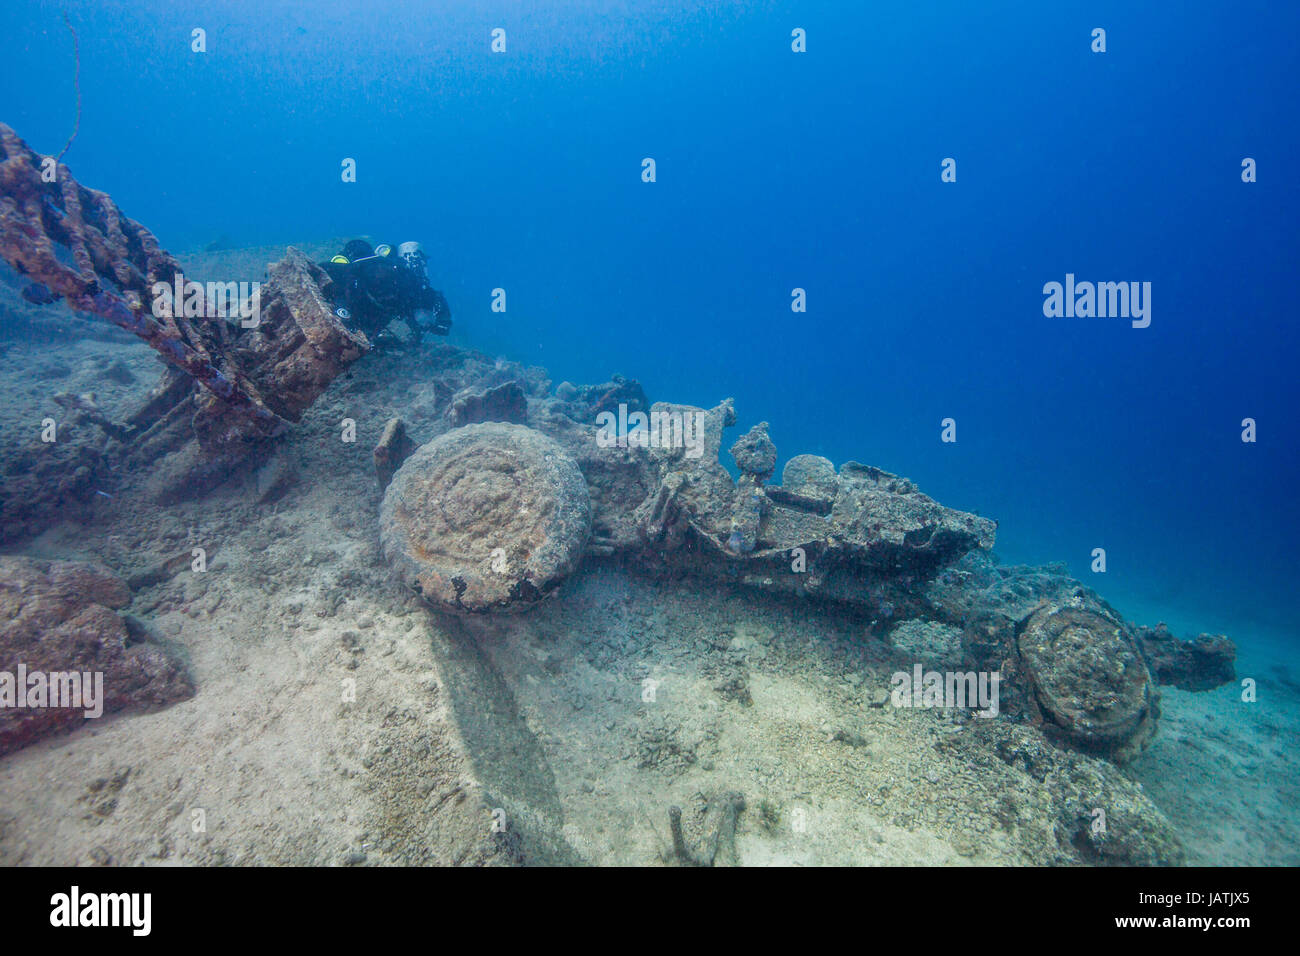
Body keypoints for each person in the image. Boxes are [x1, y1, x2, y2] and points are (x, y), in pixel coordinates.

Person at [319, 239, 451, 347]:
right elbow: (427, 293)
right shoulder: (396, 267)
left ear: (348, 256)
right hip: (399, 301)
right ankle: (415, 337)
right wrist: (442, 321)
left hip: (370, 311)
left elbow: (322, 269)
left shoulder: (350, 269)